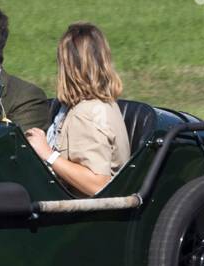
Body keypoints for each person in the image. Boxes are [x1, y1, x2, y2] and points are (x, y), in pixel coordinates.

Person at [25, 23, 131, 197]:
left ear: (68, 67)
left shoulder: (87, 114)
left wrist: (47, 154)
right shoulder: (97, 104)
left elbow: (98, 184)